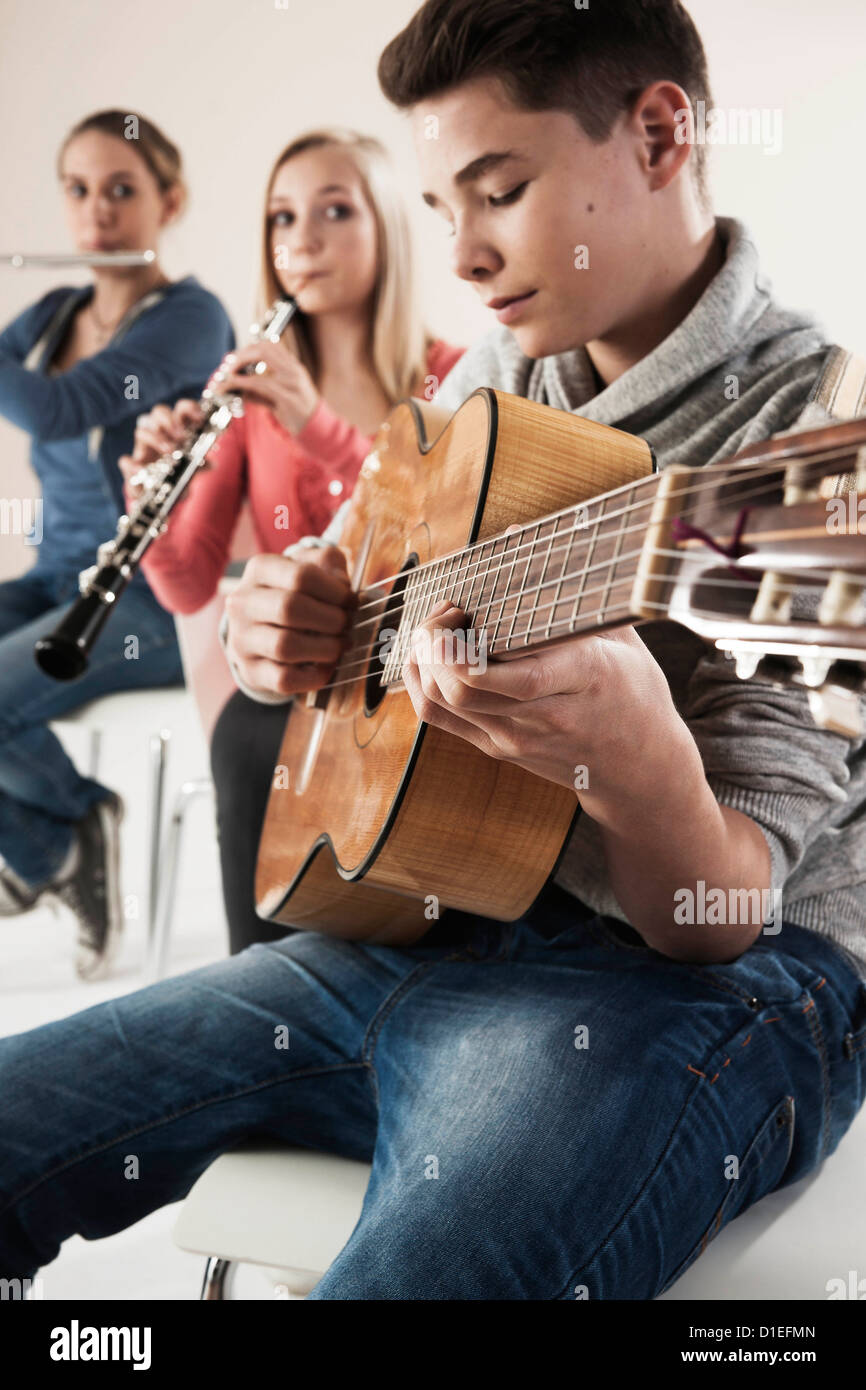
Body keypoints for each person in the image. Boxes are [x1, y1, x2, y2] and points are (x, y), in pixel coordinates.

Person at [1, 1, 865, 1299]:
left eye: (499, 191)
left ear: (659, 133)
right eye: (437, 205)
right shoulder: (498, 376)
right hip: (416, 922)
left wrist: (635, 763)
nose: (457, 253)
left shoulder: (814, 441)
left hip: (693, 988)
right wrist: (284, 618)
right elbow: (341, 580)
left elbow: (720, 912)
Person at [116, 128, 464, 953]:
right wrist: (151, 499)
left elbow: (436, 525)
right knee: (246, 731)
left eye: (334, 211)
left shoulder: (452, 372)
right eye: (281, 217)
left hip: (427, 665)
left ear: (385, 227)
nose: (299, 240)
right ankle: (263, 992)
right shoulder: (248, 394)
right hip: (303, 675)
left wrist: (316, 424)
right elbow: (189, 584)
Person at [0, 110, 234, 980]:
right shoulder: (54, 313)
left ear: (168, 202)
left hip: (144, 600)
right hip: (53, 577)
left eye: (121, 190)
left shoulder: (191, 319)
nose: (97, 212)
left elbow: (56, 408)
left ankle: (63, 832)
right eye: (79, 190)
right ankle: (56, 845)